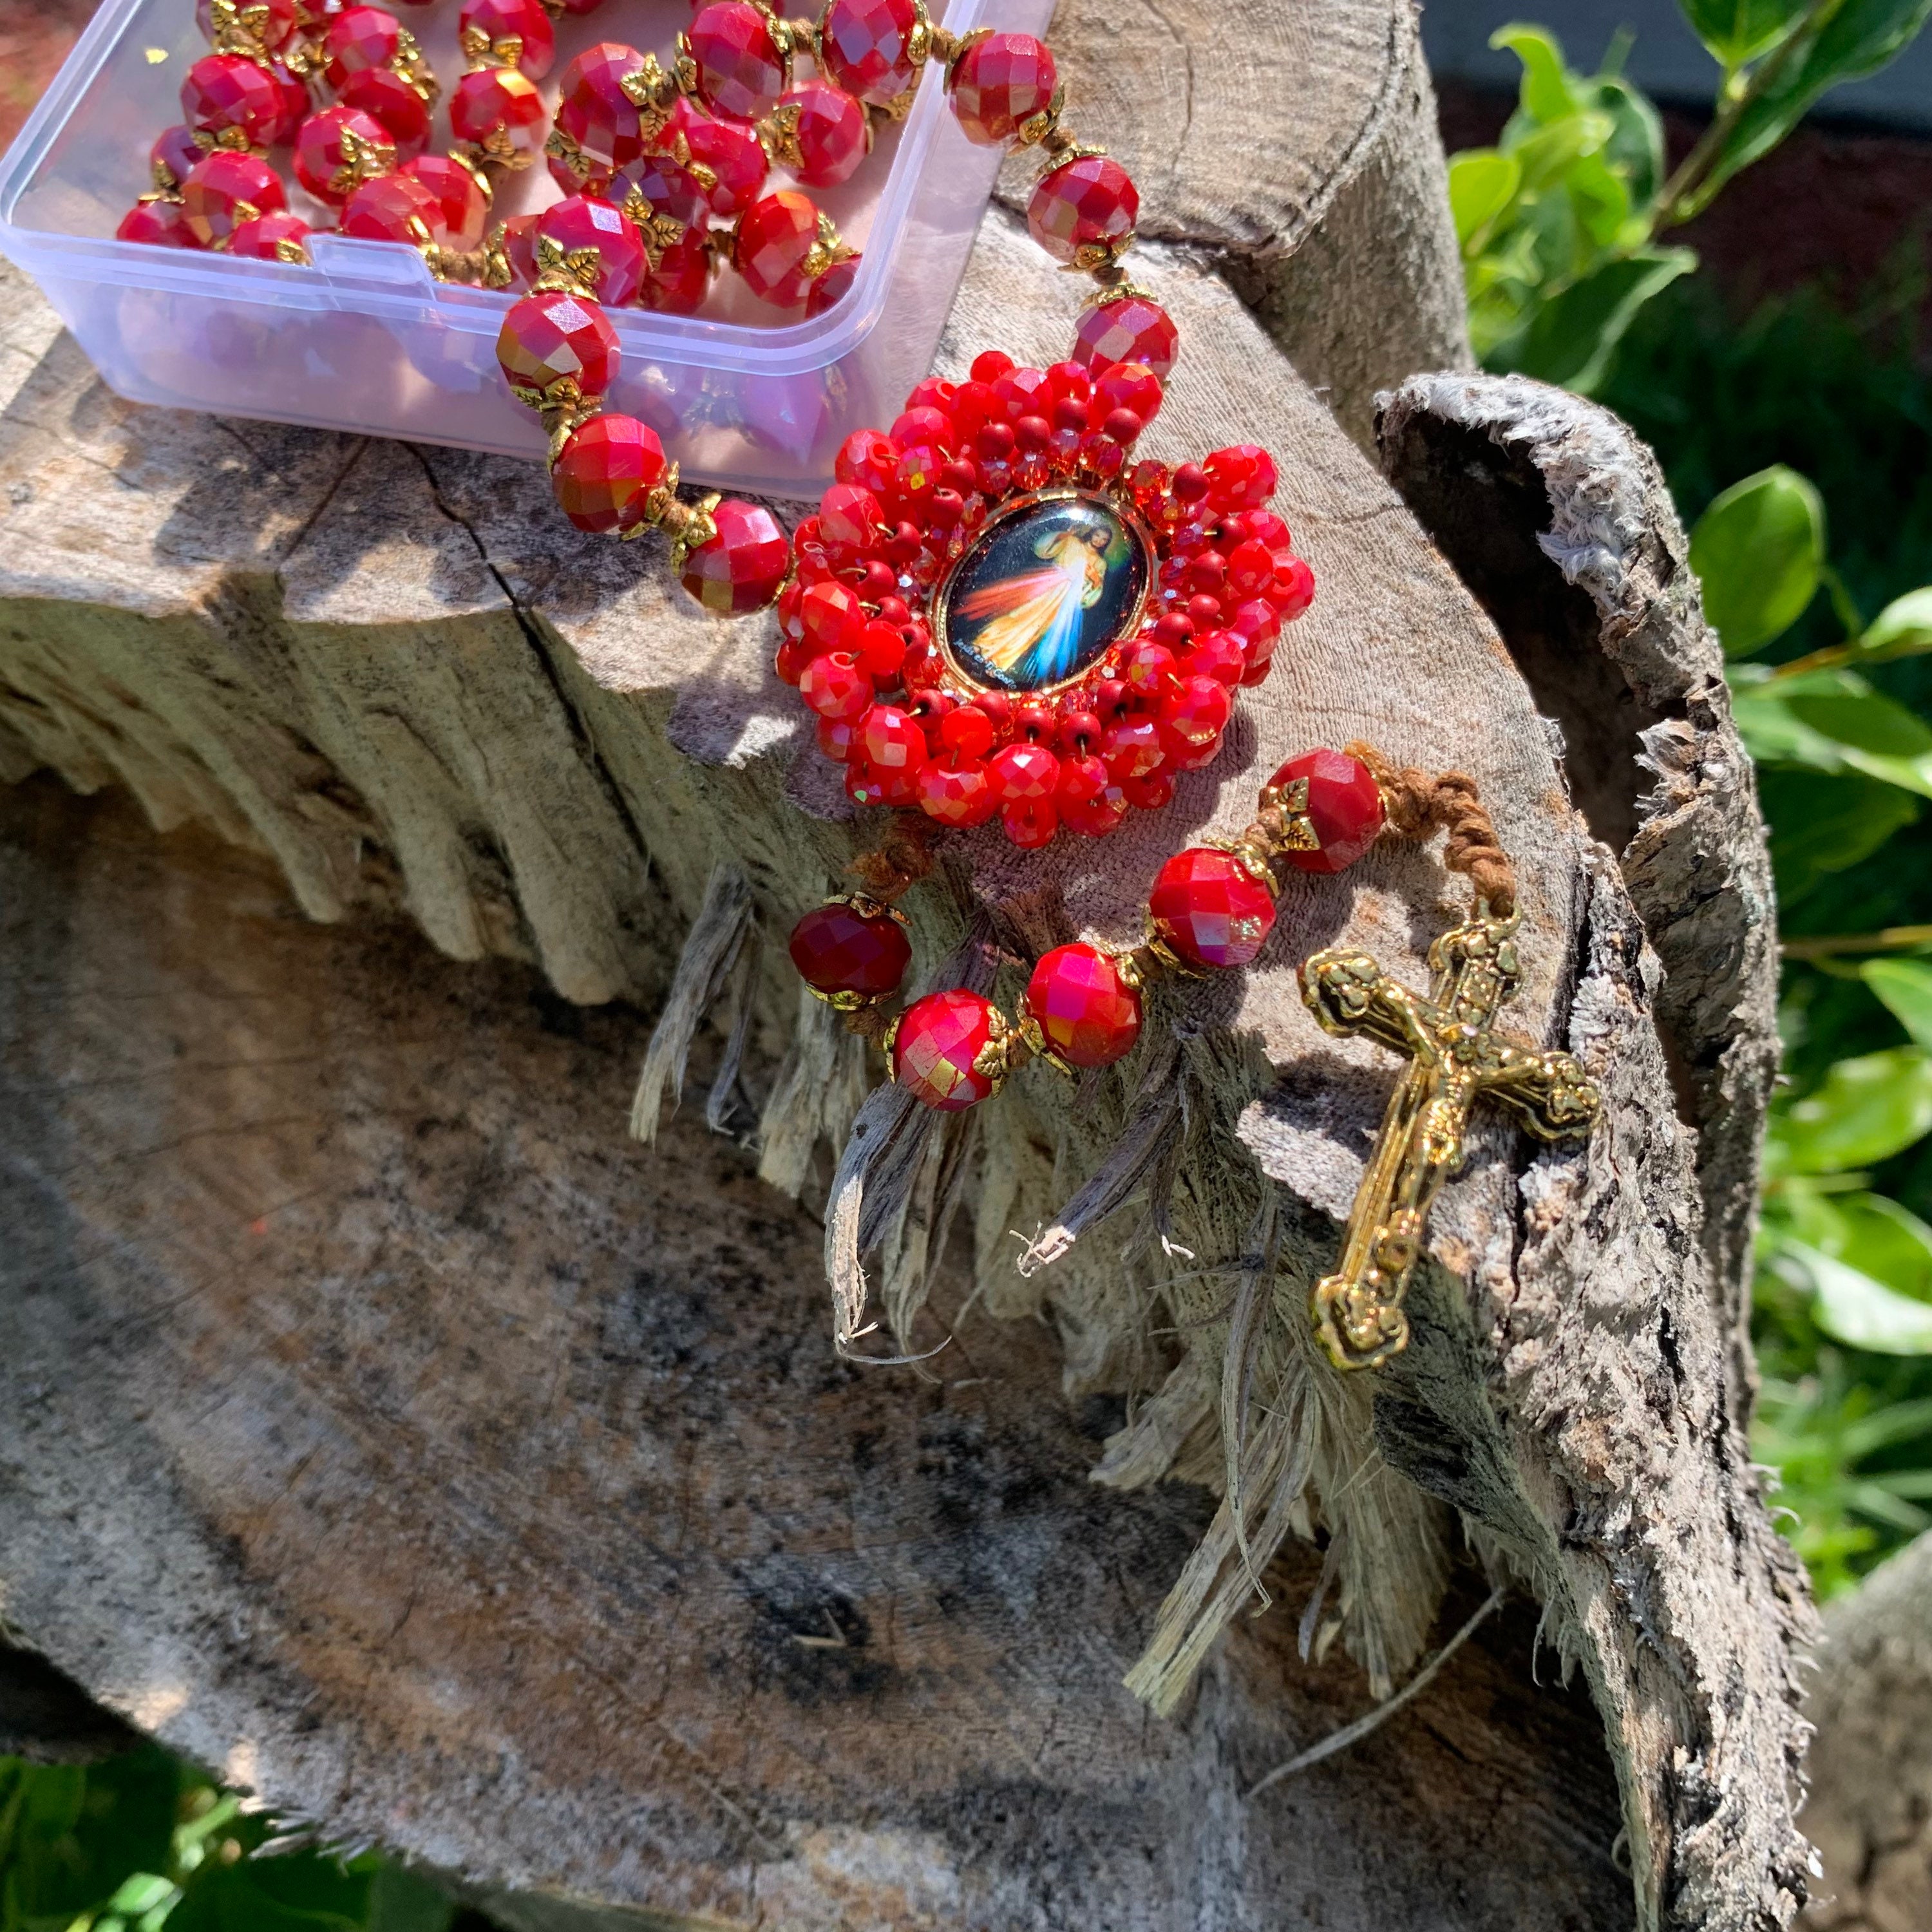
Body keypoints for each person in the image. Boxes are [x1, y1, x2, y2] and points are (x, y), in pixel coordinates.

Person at [956, 518, 1113, 688]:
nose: (1099, 540)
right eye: (1098, 535)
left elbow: (1093, 594)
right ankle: (983, 643)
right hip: (1047, 584)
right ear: (1092, 533)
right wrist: (1064, 534)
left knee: (1034, 631)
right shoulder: (1073, 542)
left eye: (1104, 539)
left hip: (1063, 601)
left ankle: (998, 662)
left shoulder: (1100, 563)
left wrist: (1095, 578)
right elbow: (1043, 549)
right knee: (1018, 614)